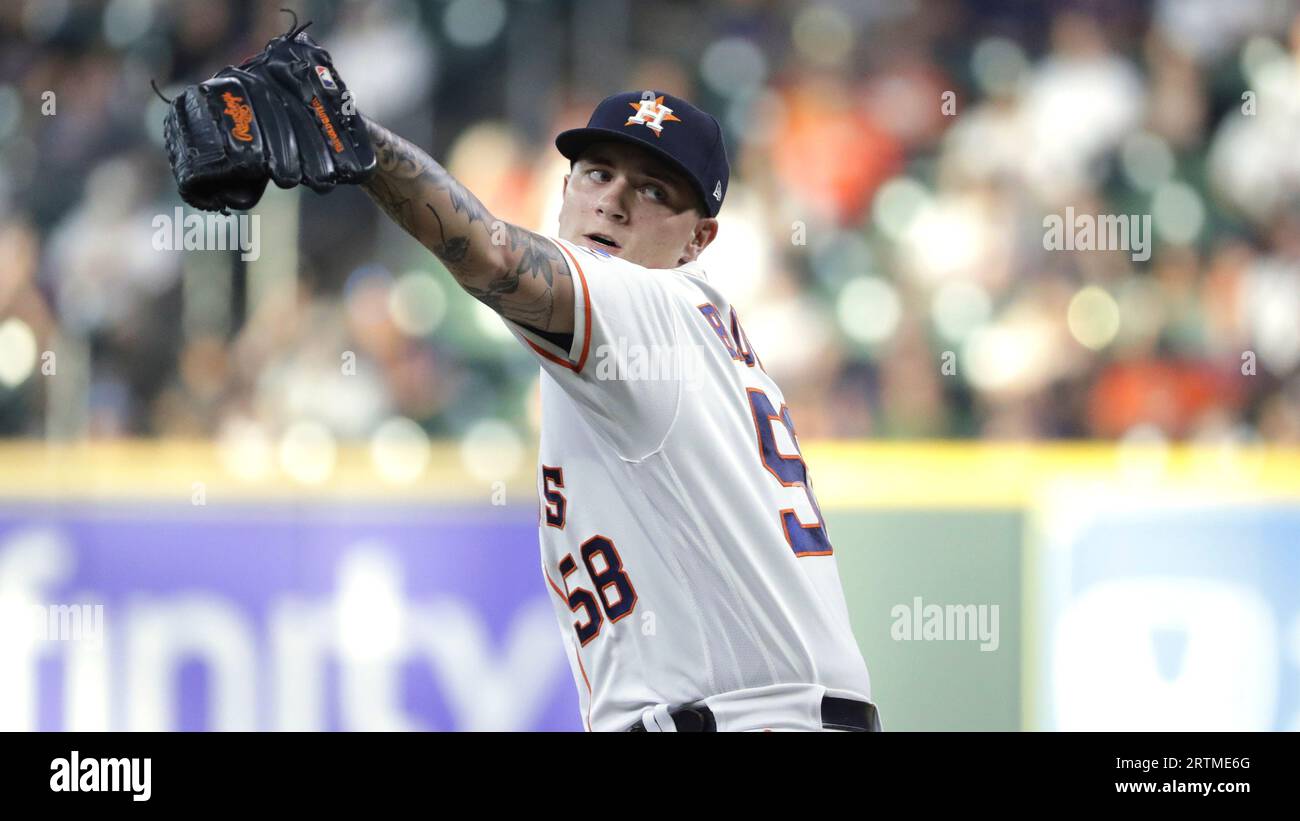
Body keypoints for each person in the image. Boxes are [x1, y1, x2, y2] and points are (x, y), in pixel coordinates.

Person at [361, 89, 880, 732]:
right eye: (598, 173)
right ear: (565, 189)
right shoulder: (677, 336)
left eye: (654, 190)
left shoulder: (649, 309)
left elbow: (490, 252)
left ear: (698, 239)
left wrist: (358, 142)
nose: (613, 201)